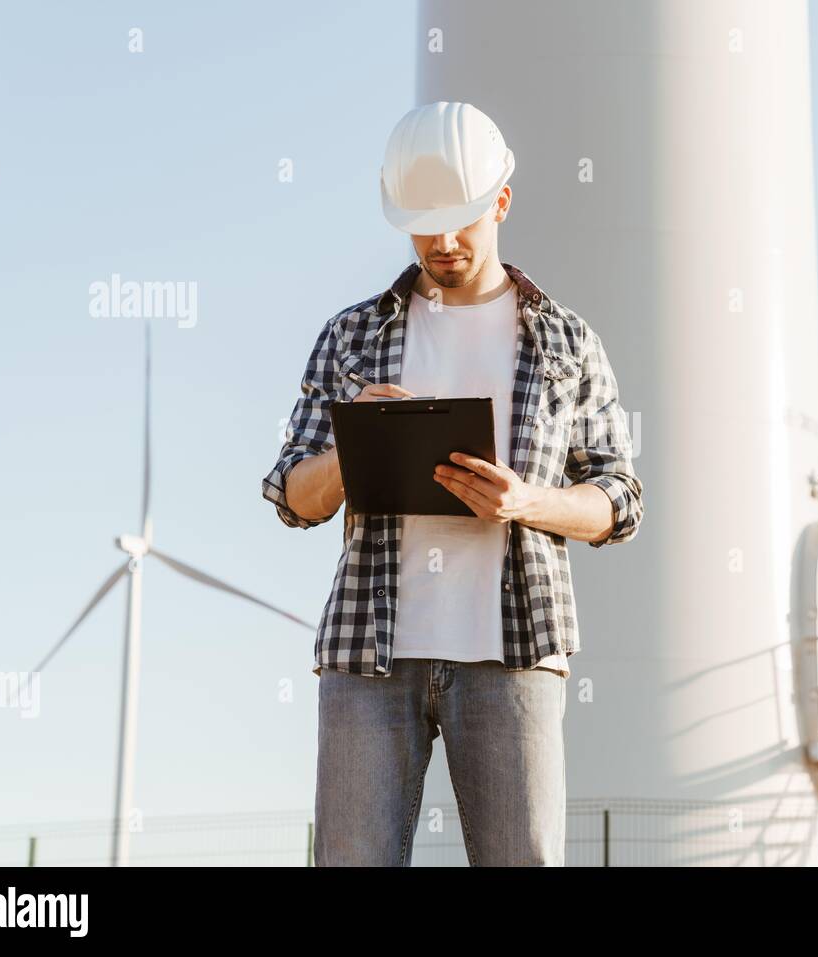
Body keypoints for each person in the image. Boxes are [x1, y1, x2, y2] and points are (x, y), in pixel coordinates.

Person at [261, 101, 644, 866]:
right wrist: (353, 446)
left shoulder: (566, 340)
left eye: (459, 220)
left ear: (500, 201)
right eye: (422, 223)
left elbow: (619, 497)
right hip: (368, 656)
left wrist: (524, 501)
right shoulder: (352, 336)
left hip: (515, 653)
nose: (440, 241)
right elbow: (291, 497)